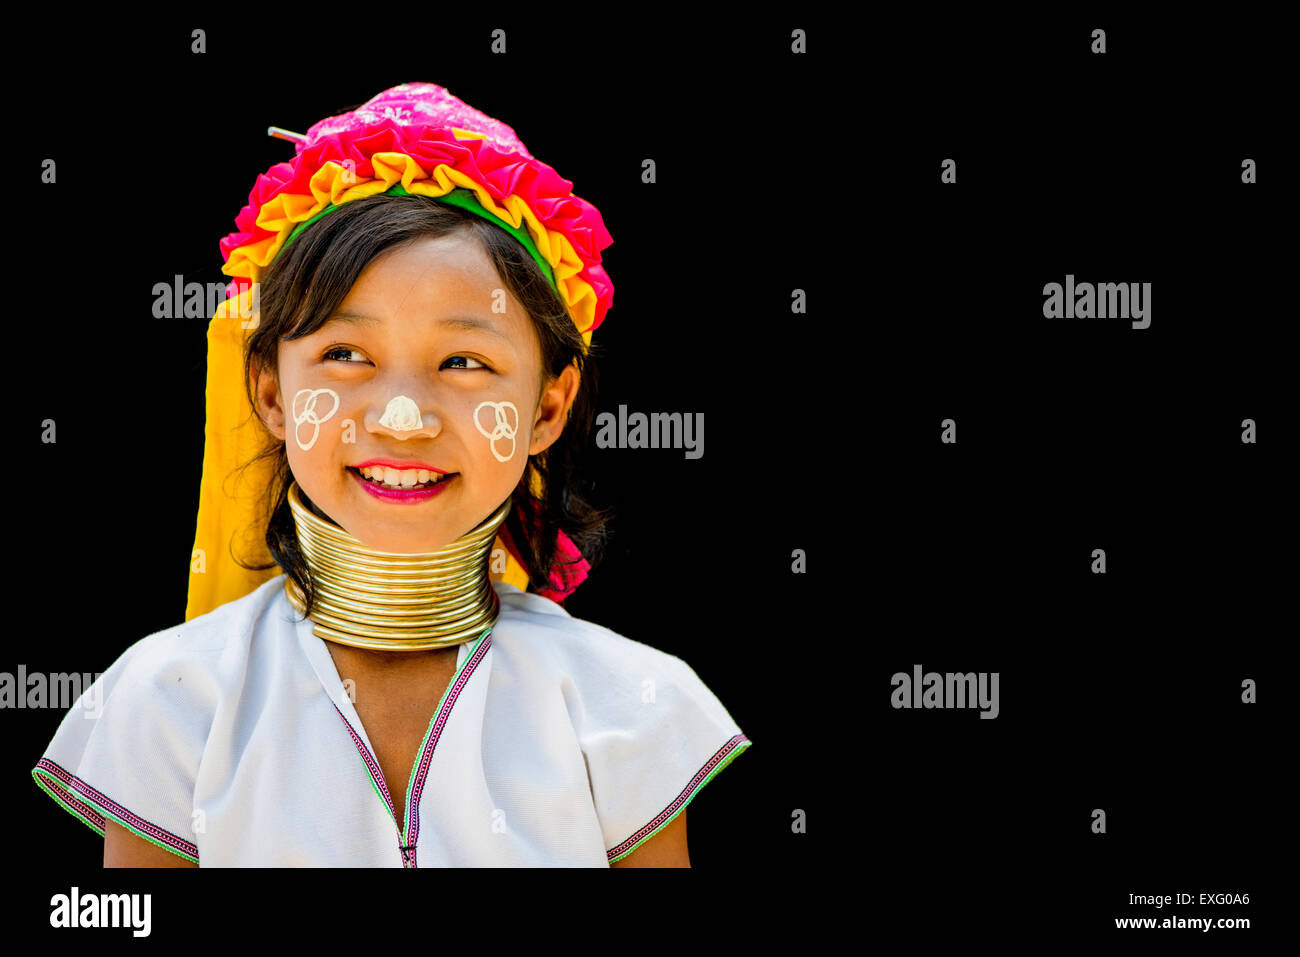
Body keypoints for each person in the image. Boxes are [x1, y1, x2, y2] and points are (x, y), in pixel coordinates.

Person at [31, 83, 750, 867]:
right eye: (345, 355)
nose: (402, 418)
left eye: (464, 362)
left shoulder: (627, 707)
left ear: (549, 406)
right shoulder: (168, 700)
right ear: (270, 390)